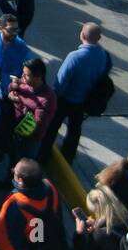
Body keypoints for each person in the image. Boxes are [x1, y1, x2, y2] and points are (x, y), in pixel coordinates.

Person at [46, 21, 110, 163]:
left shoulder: (74, 56)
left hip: (65, 99)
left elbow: (61, 81)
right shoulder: (102, 55)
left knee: (53, 127)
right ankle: (68, 156)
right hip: (83, 100)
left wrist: (53, 97)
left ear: (82, 35)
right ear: (99, 38)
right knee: (74, 130)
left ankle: (43, 154)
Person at [0, 158, 66, 250]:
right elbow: (58, 216)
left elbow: (9, 234)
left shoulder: (14, 203)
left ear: (20, 181)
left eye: (14, 172)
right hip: (40, 248)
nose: (12, 172)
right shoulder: (50, 188)